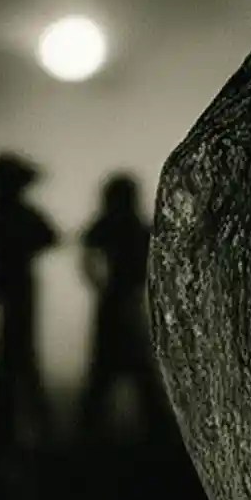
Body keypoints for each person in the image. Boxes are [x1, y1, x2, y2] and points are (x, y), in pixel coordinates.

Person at [0, 153, 59, 448]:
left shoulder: (7, 214)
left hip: (17, 294)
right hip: (20, 292)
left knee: (14, 360)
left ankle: (13, 427)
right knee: (18, 360)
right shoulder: (14, 213)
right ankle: (29, 425)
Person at [78, 173, 167, 439]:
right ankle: (158, 435)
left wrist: (100, 284)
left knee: (121, 375)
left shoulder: (120, 228)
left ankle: (91, 434)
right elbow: (88, 258)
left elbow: (87, 257)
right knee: (124, 375)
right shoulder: (133, 229)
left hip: (120, 304)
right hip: (121, 304)